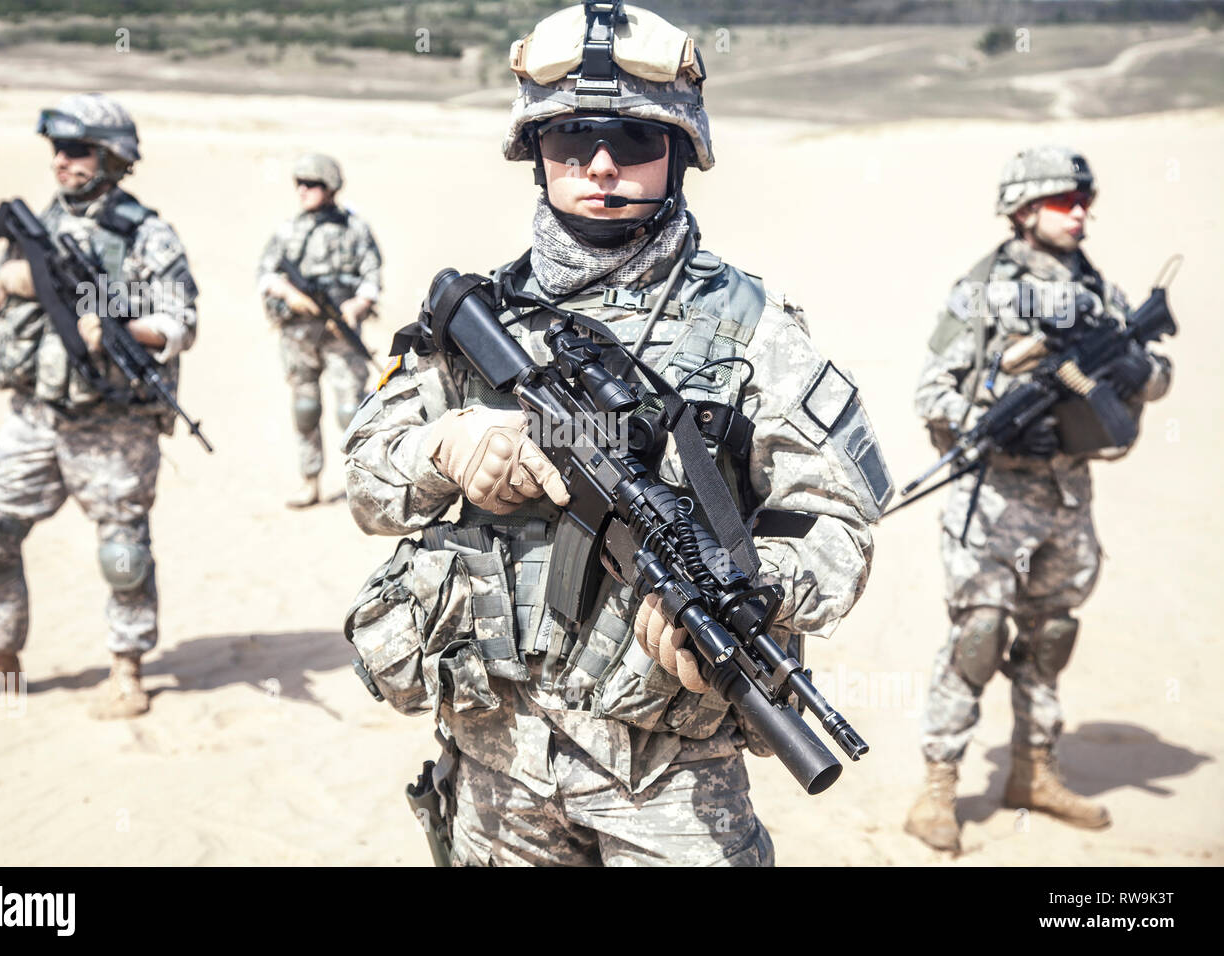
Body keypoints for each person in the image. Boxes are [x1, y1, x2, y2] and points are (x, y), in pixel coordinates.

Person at [342, 3, 892, 866]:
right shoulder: (481, 320)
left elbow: (838, 528)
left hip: (671, 777)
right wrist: (444, 448)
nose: (601, 164)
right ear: (536, 154)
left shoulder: (752, 331)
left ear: (679, 154)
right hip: (496, 758)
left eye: (634, 142)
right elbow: (366, 481)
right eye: (573, 140)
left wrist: (754, 590)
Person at [904, 145, 1173, 852]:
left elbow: (1157, 378)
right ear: (1023, 209)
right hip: (993, 498)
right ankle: (938, 785)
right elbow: (930, 391)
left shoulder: (1099, 294)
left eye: (1084, 200)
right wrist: (995, 418)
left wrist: (1140, 371)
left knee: (1050, 636)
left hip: (1067, 495)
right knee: (978, 637)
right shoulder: (980, 291)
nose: (1079, 211)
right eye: (1063, 200)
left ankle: (1034, 771)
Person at [0, 93, 200, 719]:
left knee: (123, 554)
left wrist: (124, 323)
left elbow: (180, 322)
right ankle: (0, 660)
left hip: (113, 424)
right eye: (57, 150)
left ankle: (127, 668)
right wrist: (15, 283)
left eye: (77, 149)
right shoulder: (43, 223)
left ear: (113, 157)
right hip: (36, 416)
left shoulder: (147, 233)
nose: (62, 162)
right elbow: (8, 294)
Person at [257, 154, 382, 509]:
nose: (303, 191)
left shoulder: (355, 229)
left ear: (329, 187)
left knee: (350, 411)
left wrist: (355, 306)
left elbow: (372, 276)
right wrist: (289, 295)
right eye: (299, 184)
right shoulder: (288, 230)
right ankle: (309, 482)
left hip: (340, 333)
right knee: (306, 406)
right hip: (299, 334)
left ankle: (360, 485)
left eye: (311, 184)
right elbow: (265, 274)